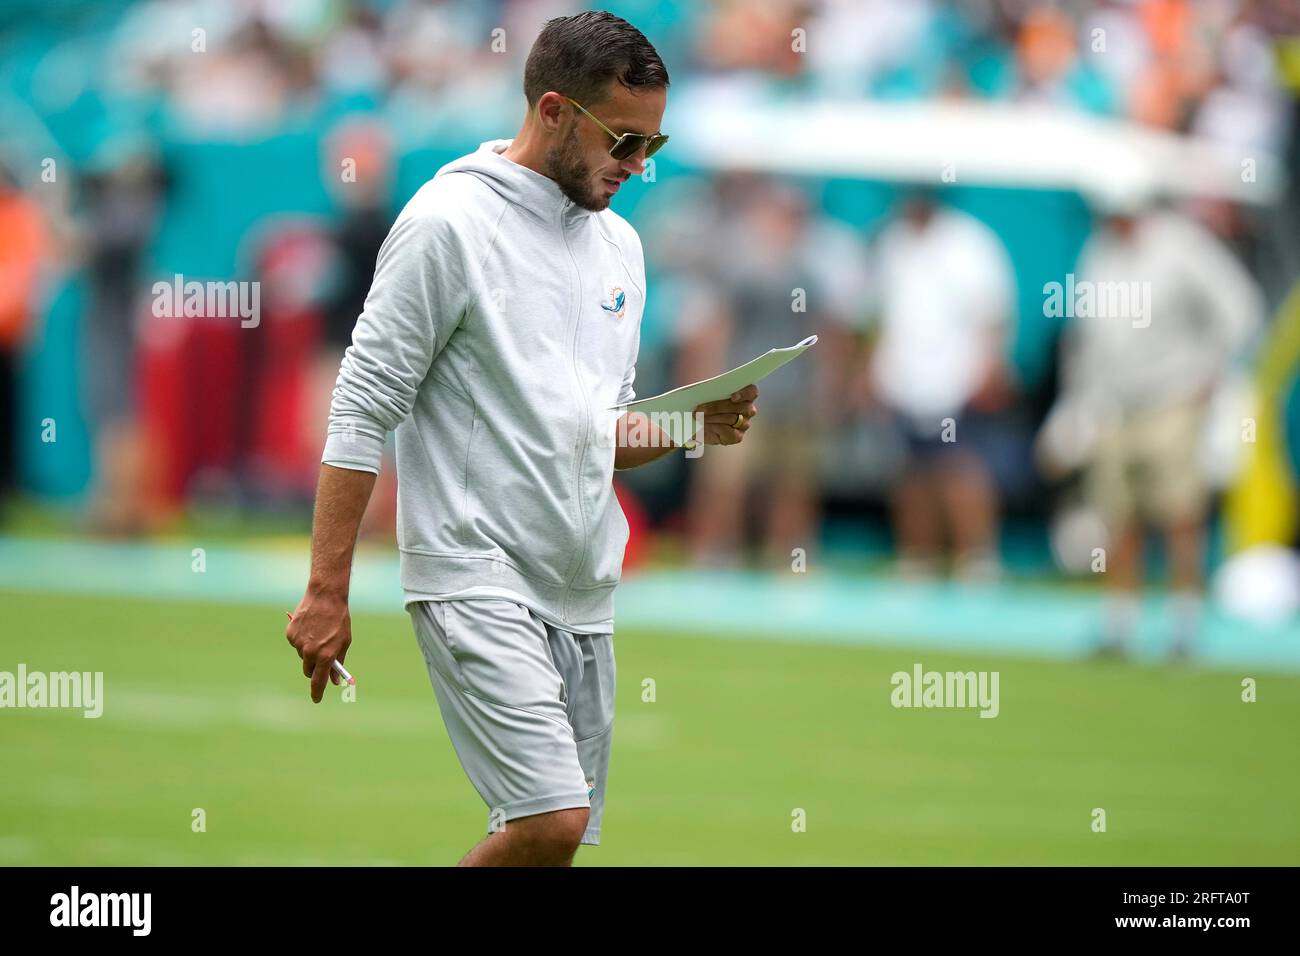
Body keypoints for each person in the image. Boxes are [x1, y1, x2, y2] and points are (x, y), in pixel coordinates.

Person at [285, 11, 760, 867]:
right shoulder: (449, 223)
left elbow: (596, 435)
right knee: (550, 823)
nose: (638, 167)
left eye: (654, 145)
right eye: (624, 141)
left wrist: (690, 422)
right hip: (473, 569)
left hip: (582, 584)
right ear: (551, 110)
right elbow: (363, 404)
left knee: (549, 846)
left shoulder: (620, 245)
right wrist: (327, 589)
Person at [1044, 196, 1264, 658]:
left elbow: (1241, 309)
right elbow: (1086, 339)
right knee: (1119, 517)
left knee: (1180, 514)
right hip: (1115, 408)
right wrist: (1077, 410)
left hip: (1173, 402)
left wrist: (1210, 378)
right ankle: (1119, 625)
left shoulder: (1184, 246)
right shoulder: (1097, 253)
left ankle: (1184, 627)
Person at [858, 193, 1016, 581]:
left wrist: (988, 367)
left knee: (960, 468)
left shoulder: (970, 242)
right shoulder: (889, 242)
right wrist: (869, 370)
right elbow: (873, 311)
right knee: (910, 472)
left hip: (955, 379)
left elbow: (992, 311)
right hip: (903, 378)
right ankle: (917, 557)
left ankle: (976, 558)